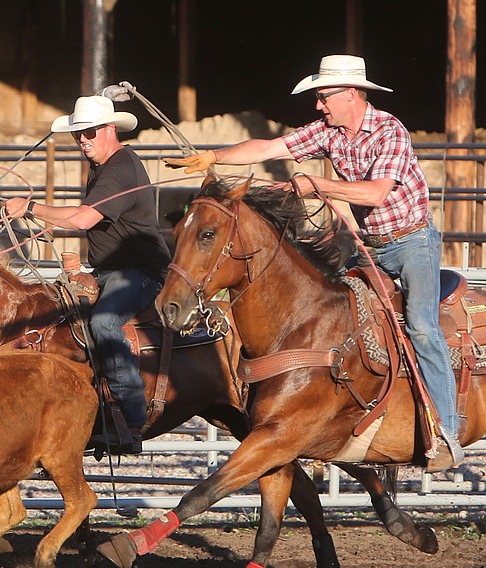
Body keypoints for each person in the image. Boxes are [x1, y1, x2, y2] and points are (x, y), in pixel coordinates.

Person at [166, 55, 464, 470]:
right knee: (337, 316)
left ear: (352, 95)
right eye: (319, 98)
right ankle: (333, 417)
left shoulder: (389, 130)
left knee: (422, 328)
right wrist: (213, 157)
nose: (319, 105)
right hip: (372, 246)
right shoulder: (328, 132)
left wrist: (317, 184)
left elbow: (377, 193)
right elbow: (269, 147)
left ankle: (447, 433)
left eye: (324, 97)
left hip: (412, 243)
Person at [5, 95, 171, 455]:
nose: (83, 140)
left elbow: (83, 219)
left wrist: (30, 208)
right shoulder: (104, 165)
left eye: (90, 132)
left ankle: (131, 415)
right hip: (111, 269)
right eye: (78, 134)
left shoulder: (120, 168)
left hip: (142, 271)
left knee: (105, 323)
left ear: (110, 129)